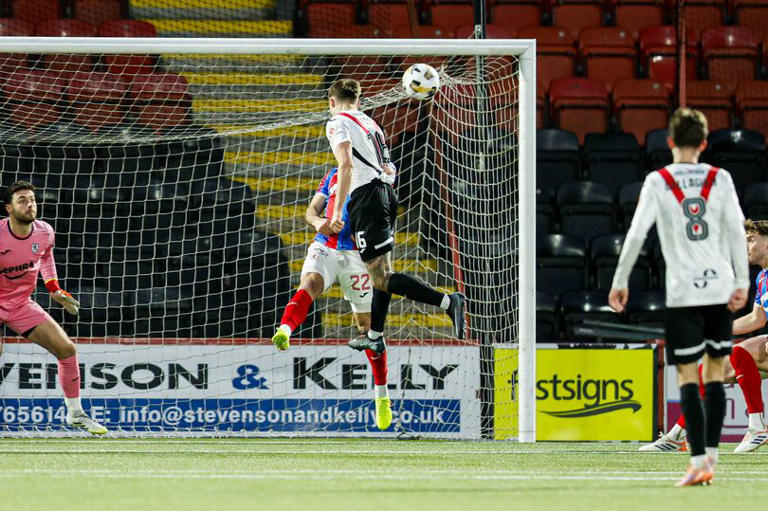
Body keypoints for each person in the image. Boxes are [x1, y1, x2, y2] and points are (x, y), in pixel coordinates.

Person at [609, 108, 749, 487]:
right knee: (716, 375)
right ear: (704, 143)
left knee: (689, 377)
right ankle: (712, 461)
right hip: (720, 286)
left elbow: (637, 234)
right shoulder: (721, 177)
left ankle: (698, 460)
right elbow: (737, 230)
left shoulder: (659, 180)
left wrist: (620, 281)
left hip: (684, 291)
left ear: (669, 142)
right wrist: (743, 281)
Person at [324, 78, 466, 354]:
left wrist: (338, 210)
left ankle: (448, 301)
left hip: (368, 198)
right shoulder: (370, 123)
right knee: (381, 273)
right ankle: (375, 335)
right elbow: (390, 167)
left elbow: (345, 165)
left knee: (380, 277)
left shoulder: (337, 122)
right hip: (386, 194)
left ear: (332, 102)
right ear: (359, 101)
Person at [271, 167, 392, 430]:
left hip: (358, 257)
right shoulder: (333, 174)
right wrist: (318, 223)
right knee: (310, 283)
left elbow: (385, 214)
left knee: (368, 330)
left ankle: (382, 396)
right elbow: (311, 211)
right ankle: (284, 329)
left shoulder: (376, 175)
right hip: (325, 245)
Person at [641, 219, 768, 453]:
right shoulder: (762, 278)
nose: (745, 246)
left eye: (751, 240)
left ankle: (757, 427)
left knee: (739, 352)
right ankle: (676, 435)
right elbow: (756, 320)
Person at [0, 181, 106, 434]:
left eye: (32, 199)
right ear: (9, 209)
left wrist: (54, 289)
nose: (30, 204)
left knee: (67, 350)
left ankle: (76, 414)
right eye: (22, 200)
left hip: (20, 303)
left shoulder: (44, 231)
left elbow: (45, 257)